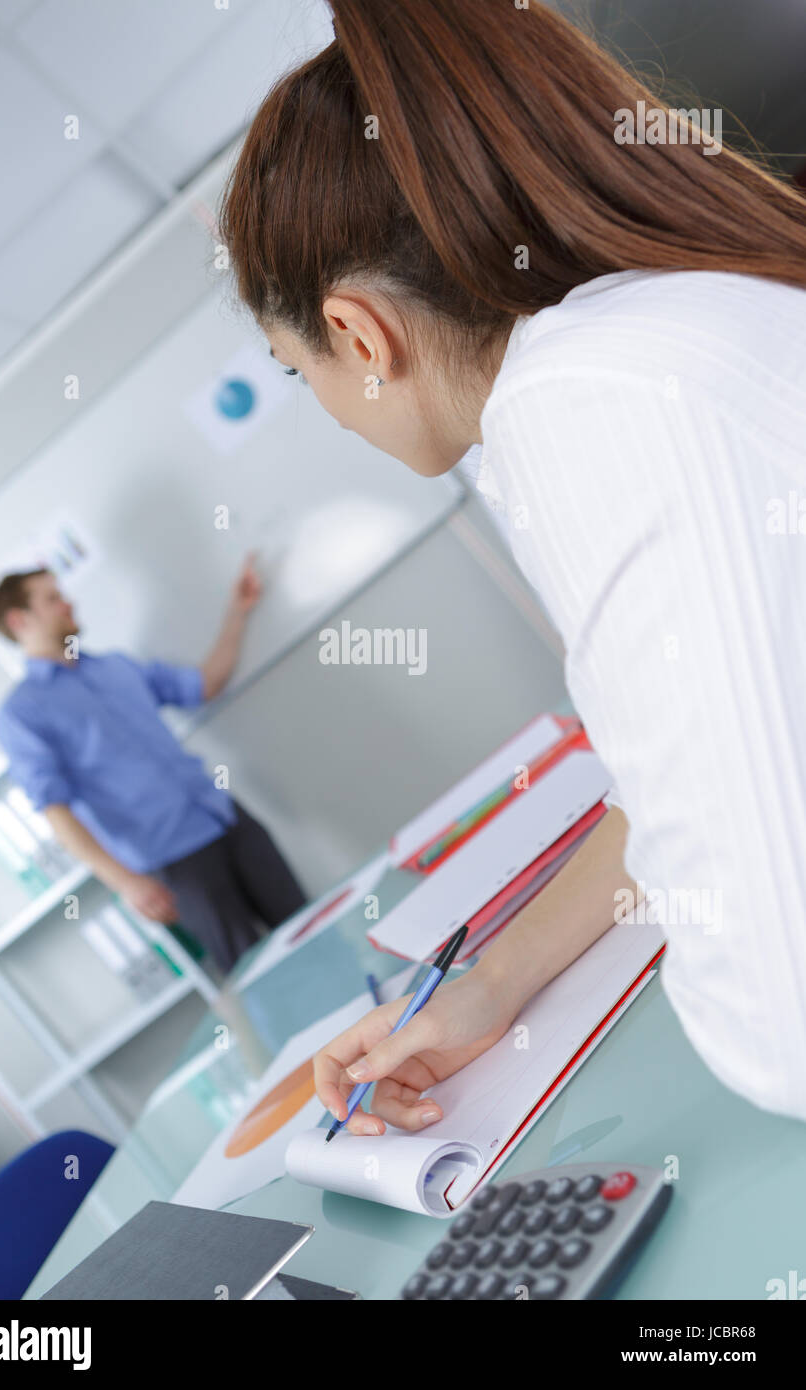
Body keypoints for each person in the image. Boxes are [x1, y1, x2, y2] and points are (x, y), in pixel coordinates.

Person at [216, 0, 806, 1127]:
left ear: (356, 336)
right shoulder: (630, 340)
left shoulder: (580, 411)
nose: (331, 410)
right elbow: (663, 791)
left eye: (302, 376)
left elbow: (783, 1029)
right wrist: (488, 992)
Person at [0, 558, 307, 975]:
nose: (68, 603)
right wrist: (124, 882)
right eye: (52, 599)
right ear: (19, 620)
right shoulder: (22, 713)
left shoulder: (115, 667)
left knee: (310, 928)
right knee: (258, 974)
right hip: (175, 861)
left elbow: (204, 683)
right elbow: (56, 811)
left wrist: (238, 611)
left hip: (225, 818)